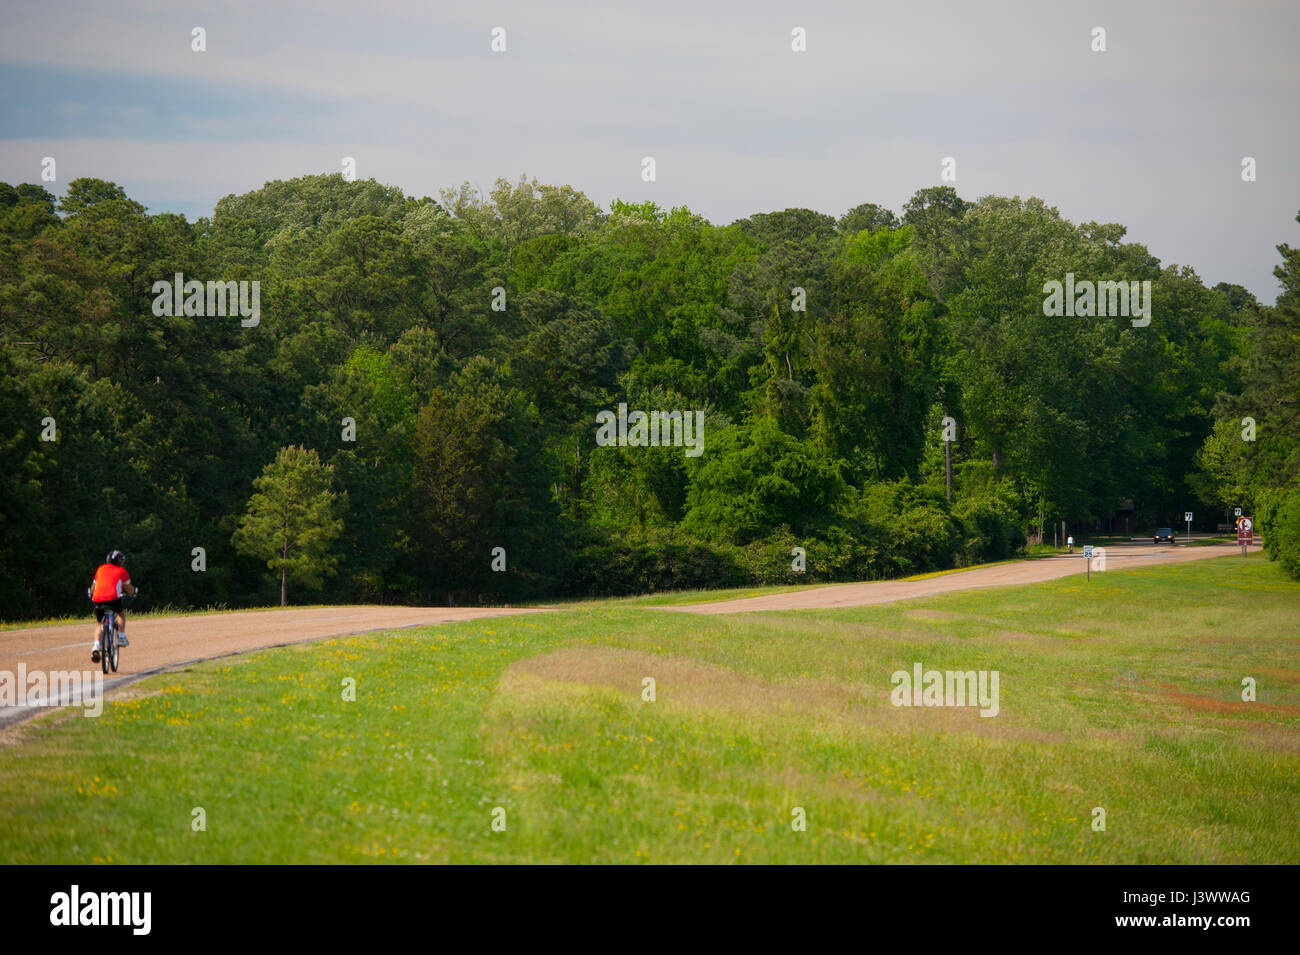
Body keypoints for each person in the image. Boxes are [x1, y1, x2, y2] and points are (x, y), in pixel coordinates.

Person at [89, 550, 136, 663]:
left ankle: (96, 646)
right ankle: (121, 637)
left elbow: (93, 586)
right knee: (121, 614)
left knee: (100, 623)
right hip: (112, 599)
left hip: (97, 599)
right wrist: (134, 592)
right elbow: (128, 588)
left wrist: (91, 593)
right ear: (120, 562)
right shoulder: (121, 571)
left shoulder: (100, 569)